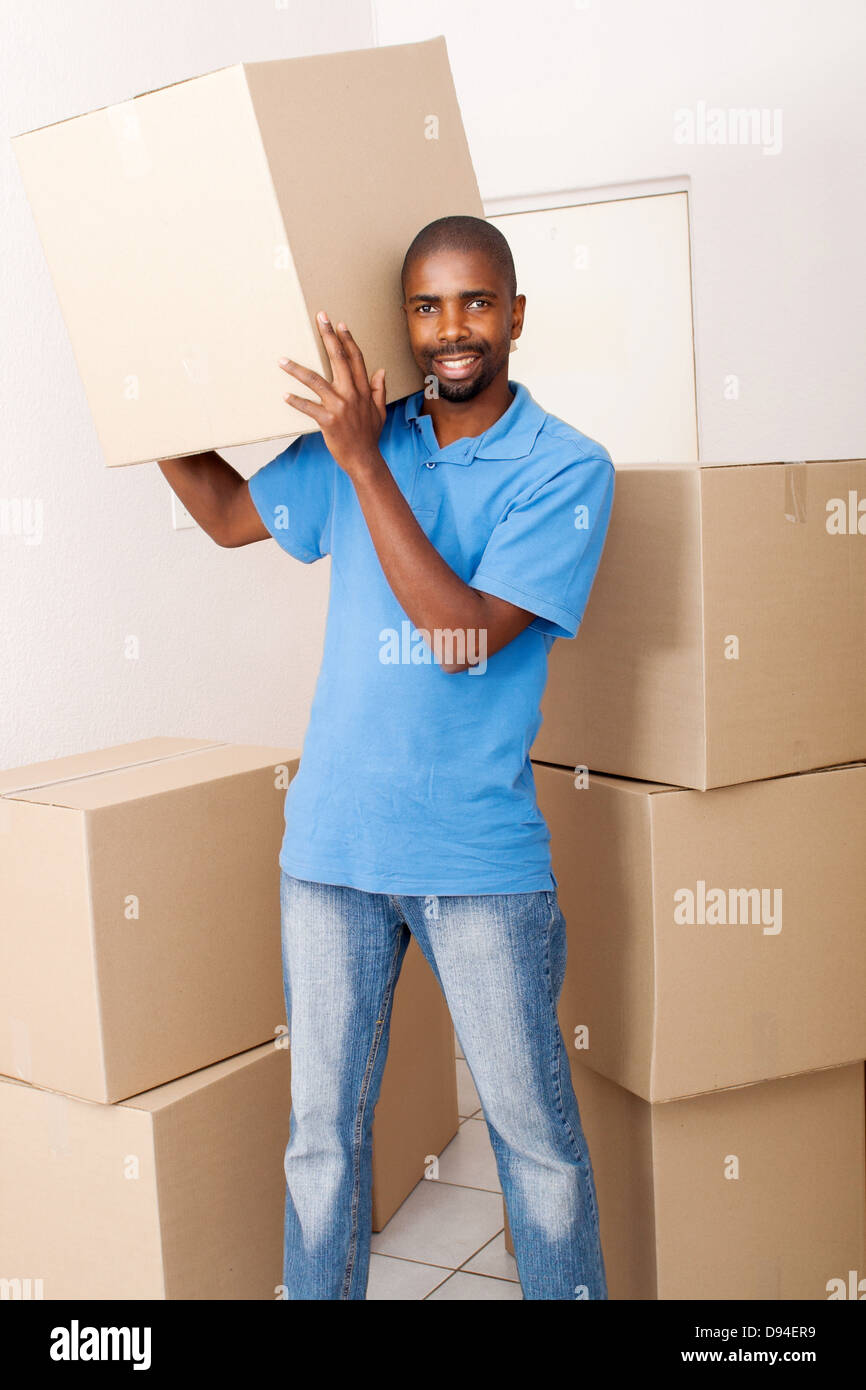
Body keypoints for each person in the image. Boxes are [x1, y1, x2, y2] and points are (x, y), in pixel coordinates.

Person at [158, 215, 615, 1301]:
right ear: (400, 318)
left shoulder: (567, 469)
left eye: (470, 302)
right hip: (329, 851)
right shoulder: (366, 431)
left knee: (535, 1154)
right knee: (320, 1146)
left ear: (513, 313)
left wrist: (363, 461)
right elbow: (227, 514)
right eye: (423, 305)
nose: (447, 329)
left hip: (477, 864)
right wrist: (142, 396)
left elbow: (460, 639)